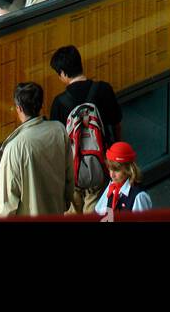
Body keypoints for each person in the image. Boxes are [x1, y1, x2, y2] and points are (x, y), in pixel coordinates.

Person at [49, 44, 123, 213]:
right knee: (98, 208)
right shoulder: (103, 89)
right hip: (101, 164)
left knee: (72, 210)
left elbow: (57, 142)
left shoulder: (59, 102)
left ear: (63, 73)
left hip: (72, 168)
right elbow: (117, 123)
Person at [0, 82, 74, 218]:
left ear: (18, 108)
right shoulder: (59, 129)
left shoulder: (15, 147)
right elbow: (69, 174)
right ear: (42, 105)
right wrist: (65, 202)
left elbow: (6, 202)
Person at [95, 141, 152, 218]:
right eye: (110, 169)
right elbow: (100, 212)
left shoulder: (138, 196)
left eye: (117, 170)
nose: (112, 175)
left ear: (129, 169)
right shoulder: (112, 187)